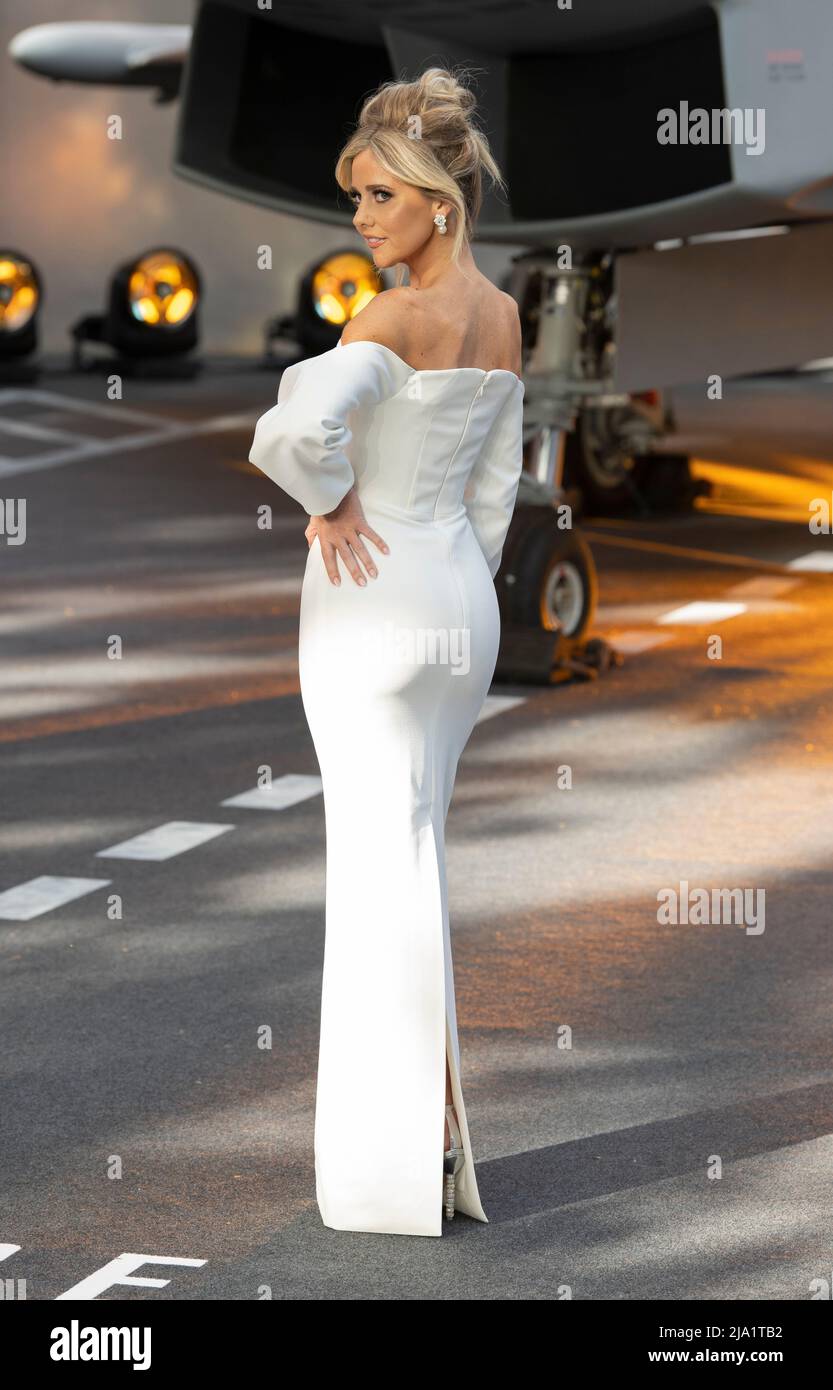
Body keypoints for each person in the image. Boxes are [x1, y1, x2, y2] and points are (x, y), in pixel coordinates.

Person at [248, 65, 524, 1237]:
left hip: (368, 603)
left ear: (435, 203)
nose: (359, 220)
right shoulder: (502, 314)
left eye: (375, 198)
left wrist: (329, 501)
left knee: (376, 870)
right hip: (458, 599)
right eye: (353, 198)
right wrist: (455, 569)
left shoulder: (383, 319)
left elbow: (290, 427)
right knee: (417, 860)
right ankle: (440, 1133)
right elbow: (500, 487)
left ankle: (391, 1170)